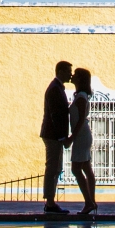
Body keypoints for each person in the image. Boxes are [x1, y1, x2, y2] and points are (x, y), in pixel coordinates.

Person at [40, 60, 73, 215]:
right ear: (60, 72)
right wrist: (62, 137)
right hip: (53, 135)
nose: (70, 75)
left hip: (53, 135)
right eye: (68, 71)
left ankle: (50, 201)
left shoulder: (56, 88)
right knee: (52, 168)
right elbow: (56, 115)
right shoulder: (55, 89)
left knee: (55, 168)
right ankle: (50, 202)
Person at [68, 67, 97, 217]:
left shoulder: (80, 97)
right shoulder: (82, 95)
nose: (72, 76)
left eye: (75, 74)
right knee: (86, 168)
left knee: (76, 169)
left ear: (80, 79)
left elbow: (79, 120)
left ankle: (88, 202)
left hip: (81, 136)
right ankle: (91, 201)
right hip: (84, 135)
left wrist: (72, 137)